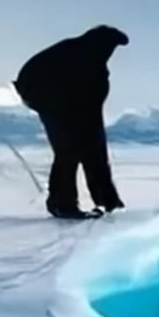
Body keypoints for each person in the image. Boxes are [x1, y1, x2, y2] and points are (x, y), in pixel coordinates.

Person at [14, 25, 129, 219]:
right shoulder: (77, 58)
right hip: (51, 100)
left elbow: (92, 110)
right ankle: (62, 204)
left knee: (91, 149)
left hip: (62, 102)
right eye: (111, 46)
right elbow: (80, 100)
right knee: (69, 150)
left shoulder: (90, 61)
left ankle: (106, 200)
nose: (111, 52)